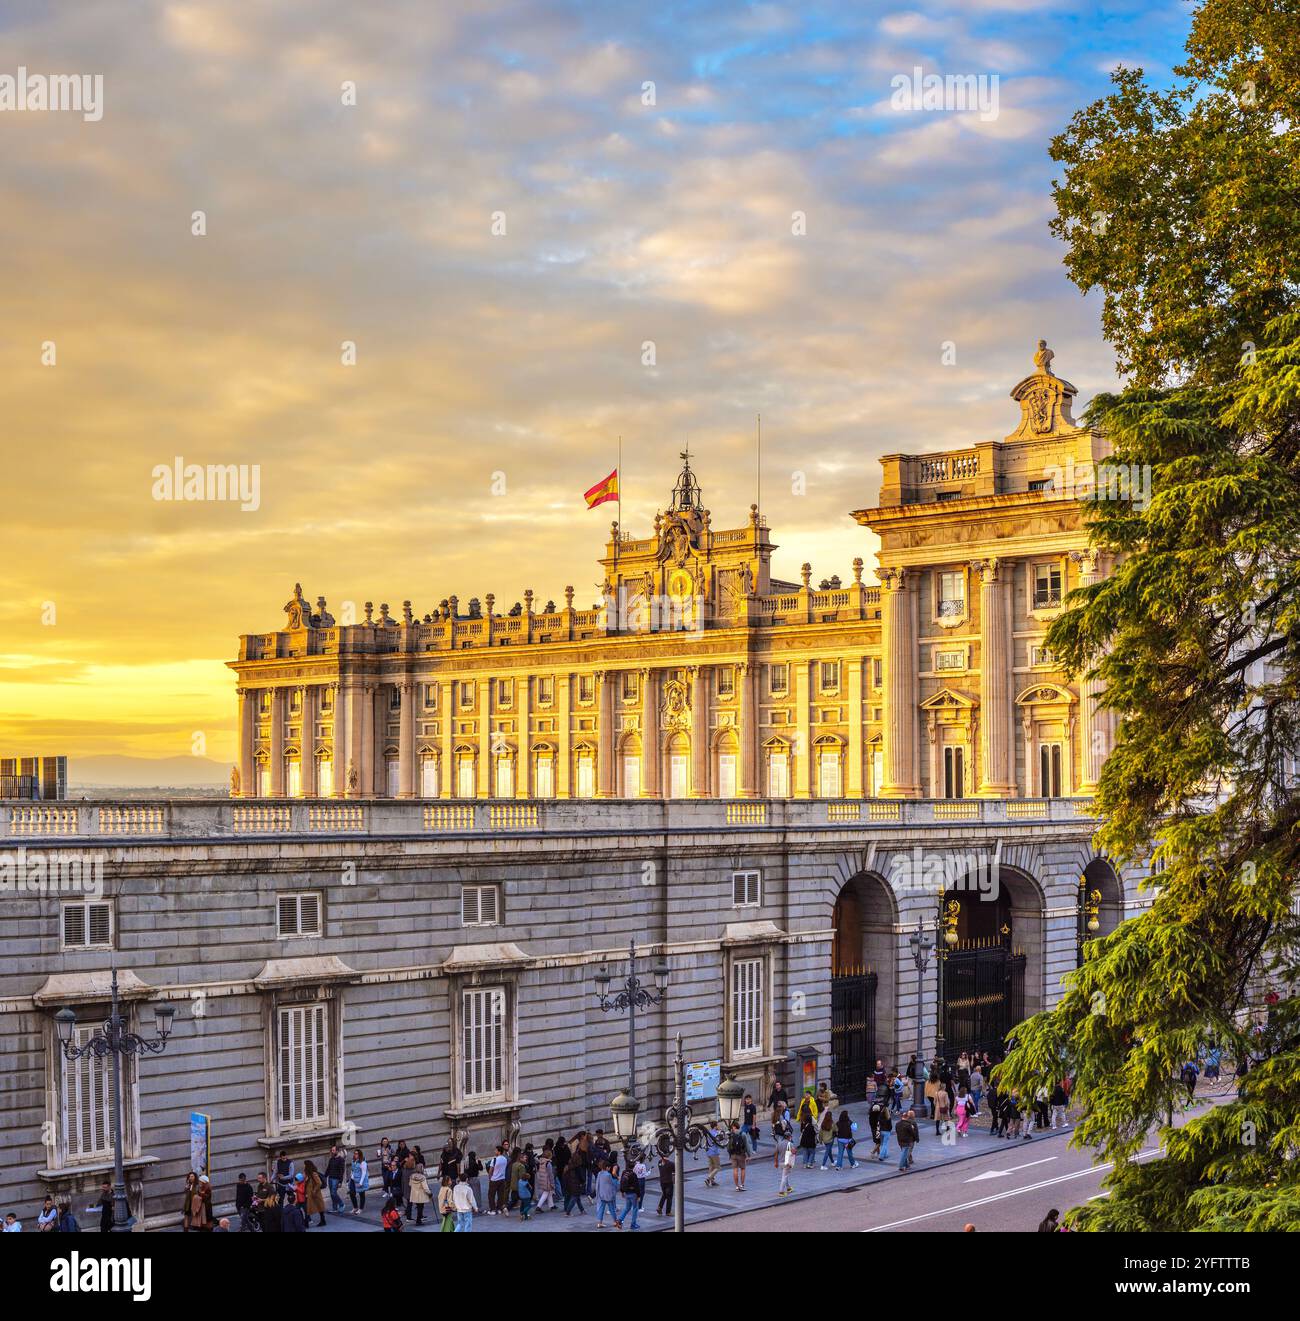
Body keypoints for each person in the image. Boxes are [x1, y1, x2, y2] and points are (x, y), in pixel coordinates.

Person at [595, 1162, 620, 1229]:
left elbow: (597, 1184)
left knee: (601, 1209)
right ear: (606, 1167)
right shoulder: (608, 1175)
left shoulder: (599, 1173)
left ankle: (599, 1223)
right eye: (609, 1167)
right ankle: (615, 1221)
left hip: (601, 1194)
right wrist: (617, 1180)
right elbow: (612, 1184)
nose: (609, 1168)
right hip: (609, 1195)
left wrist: (597, 1193)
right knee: (612, 1209)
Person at [615, 1162, 639, 1230]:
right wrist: (639, 1195)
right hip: (633, 1194)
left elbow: (622, 1183)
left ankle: (620, 1220)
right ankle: (633, 1224)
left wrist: (622, 1192)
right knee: (635, 1208)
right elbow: (637, 1186)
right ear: (634, 1167)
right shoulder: (633, 1174)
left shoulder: (624, 1172)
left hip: (627, 1193)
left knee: (627, 1208)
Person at [324, 1145, 347, 1214]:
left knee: (334, 1193)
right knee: (332, 1194)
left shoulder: (341, 1160)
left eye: (333, 1150)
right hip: (330, 1178)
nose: (332, 1151)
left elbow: (341, 1171)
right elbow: (328, 1168)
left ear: (337, 1151)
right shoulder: (331, 1159)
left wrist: (340, 1181)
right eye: (332, 1150)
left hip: (336, 1179)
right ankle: (334, 1208)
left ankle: (341, 1204)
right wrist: (325, 1176)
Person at [487, 1145, 509, 1216]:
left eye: (496, 1150)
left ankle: (493, 1209)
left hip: (494, 1179)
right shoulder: (505, 1159)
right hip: (502, 1179)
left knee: (491, 1195)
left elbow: (491, 1170)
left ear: (499, 1152)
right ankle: (499, 1208)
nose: (495, 1151)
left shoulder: (494, 1160)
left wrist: (490, 1178)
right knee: (500, 1195)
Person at [303, 1161, 326, 1228]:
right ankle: (307, 1222)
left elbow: (319, 1183)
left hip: (315, 1194)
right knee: (308, 1208)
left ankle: (322, 1220)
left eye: (304, 1165)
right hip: (309, 1194)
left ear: (307, 1166)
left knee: (319, 1207)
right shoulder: (307, 1174)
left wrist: (314, 1190)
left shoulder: (313, 1174)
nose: (304, 1166)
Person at [728, 1120, 749, 1189]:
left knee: (735, 1169)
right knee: (743, 1169)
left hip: (733, 1154)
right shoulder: (743, 1134)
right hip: (741, 1154)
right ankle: (742, 1185)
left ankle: (737, 1186)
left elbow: (728, 1146)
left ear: (734, 1127)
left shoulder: (731, 1134)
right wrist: (748, 1154)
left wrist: (729, 1154)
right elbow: (747, 1145)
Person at [535, 1144, 556, 1213]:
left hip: (543, 1179)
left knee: (549, 1192)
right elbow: (551, 1174)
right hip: (547, 1180)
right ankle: (538, 1206)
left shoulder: (541, 1162)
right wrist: (552, 1183)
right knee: (546, 1192)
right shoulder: (548, 1163)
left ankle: (551, 1205)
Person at [348, 1149, 369, 1214]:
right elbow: (352, 1169)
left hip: (360, 1180)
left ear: (360, 1154)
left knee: (361, 1194)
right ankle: (355, 1207)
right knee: (351, 1193)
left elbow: (364, 1173)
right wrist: (351, 1174)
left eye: (357, 1154)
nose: (355, 1155)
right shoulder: (353, 1161)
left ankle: (360, 1209)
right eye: (354, 1153)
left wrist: (361, 1183)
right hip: (353, 1179)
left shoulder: (363, 1162)